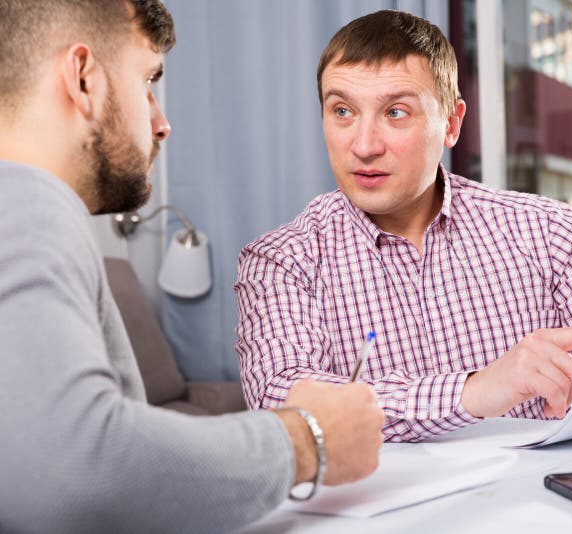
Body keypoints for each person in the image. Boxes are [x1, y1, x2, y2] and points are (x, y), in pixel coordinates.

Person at [234, 10, 572, 443]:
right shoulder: (280, 261)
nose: (364, 144)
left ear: (453, 124)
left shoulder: (555, 236)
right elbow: (286, 408)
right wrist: (476, 390)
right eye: (342, 110)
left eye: (396, 112)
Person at [0, 1, 385, 532]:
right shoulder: (27, 202)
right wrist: (307, 438)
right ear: (82, 78)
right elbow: (75, 468)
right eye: (147, 82)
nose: (161, 123)